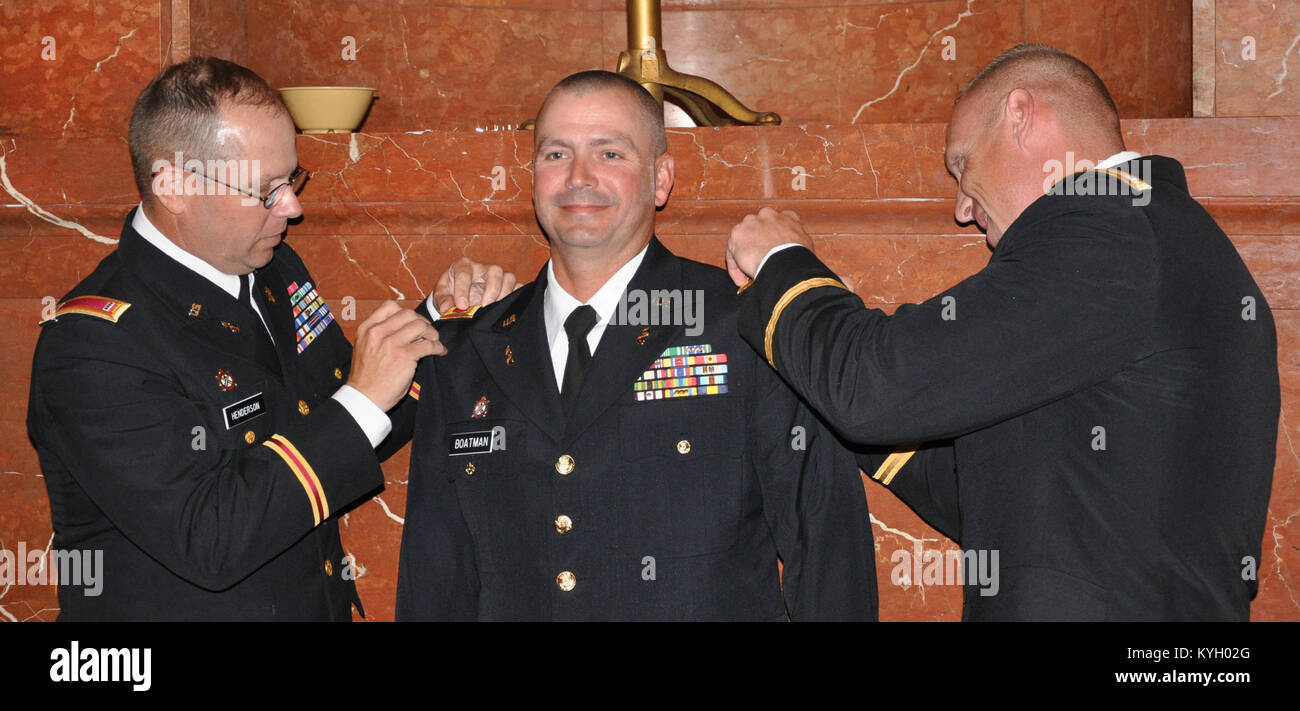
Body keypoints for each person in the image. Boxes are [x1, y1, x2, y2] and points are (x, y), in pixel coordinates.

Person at [725, 44, 1279, 621]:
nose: (963, 208)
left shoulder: (1111, 230)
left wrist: (783, 262)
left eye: (961, 165)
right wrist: (826, 384)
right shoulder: (1145, 234)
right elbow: (999, 500)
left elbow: (878, 386)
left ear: (1021, 114)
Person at [26, 57, 512, 620]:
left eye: (293, 180)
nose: (293, 207)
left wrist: (442, 322)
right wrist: (359, 401)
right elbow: (210, 539)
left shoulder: (276, 272)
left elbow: (351, 426)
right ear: (175, 184)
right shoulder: (92, 346)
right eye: (266, 191)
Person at [395, 70, 878, 621]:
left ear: (660, 177)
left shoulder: (743, 325)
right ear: (532, 178)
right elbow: (436, 573)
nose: (579, 177)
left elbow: (825, 543)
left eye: (609, 154)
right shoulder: (468, 351)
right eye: (556, 154)